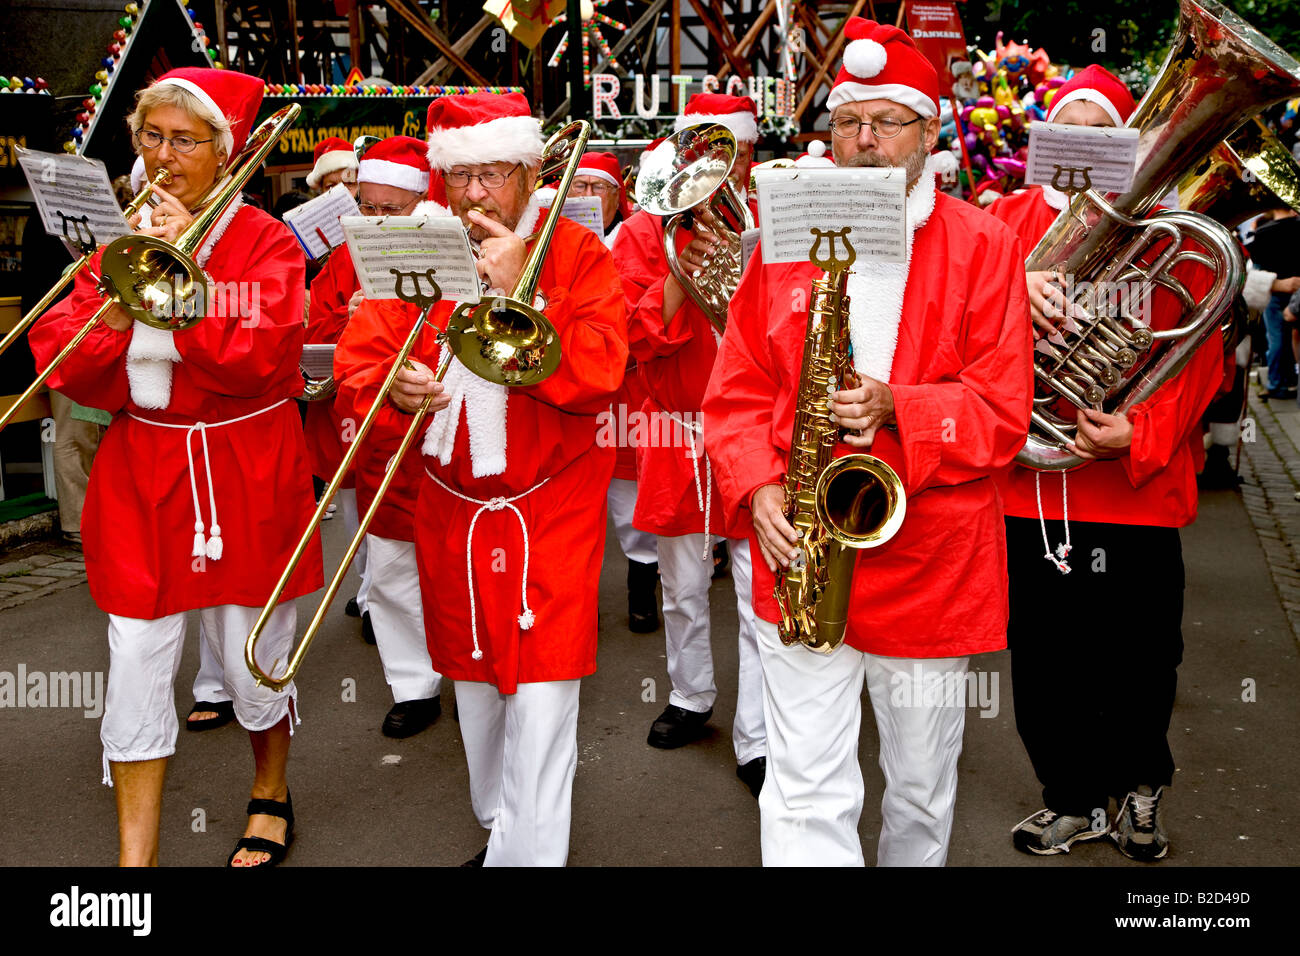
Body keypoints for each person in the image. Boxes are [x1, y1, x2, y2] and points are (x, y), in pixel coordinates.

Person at [702, 19, 1033, 865]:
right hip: (802, 547)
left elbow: (1004, 409)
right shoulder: (781, 241)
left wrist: (897, 407)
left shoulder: (986, 244)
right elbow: (735, 391)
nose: (865, 140)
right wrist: (756, 485)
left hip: (932, 557)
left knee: (921, 785)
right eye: (850, 120)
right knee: (805, 782)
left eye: (889, 121)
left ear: (929, 133)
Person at [28, 67, 322, 867]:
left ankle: (270, 789)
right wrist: (124, 294)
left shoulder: (265, 239)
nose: (162, 156)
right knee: (134, 665)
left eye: (184, 141)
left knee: (252, 659)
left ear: (224, 154)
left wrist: (183, 290)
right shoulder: (121, 234)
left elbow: (262, 357)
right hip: (144, 470)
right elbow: (65, 361)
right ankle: (138, 862)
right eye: (150, 136)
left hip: (244, 465)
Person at [352, 92, 627, 865]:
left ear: (533, 174)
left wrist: (520, 293)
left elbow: (601, 370)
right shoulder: (413, 247)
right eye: (461, 175)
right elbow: (361, 362)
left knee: (541, 705)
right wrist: (391, 388)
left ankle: (524, 853)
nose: (474, 194)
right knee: (476, 696)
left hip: (553, 512)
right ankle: (503, 829)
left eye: (493, 175)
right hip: (453, 514)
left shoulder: (579, 253)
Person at [987, 65, 1221, 861]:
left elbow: (1198, 354)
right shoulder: (1006, 224)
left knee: (1143, 657)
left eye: (1099, 133)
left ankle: (1142, 788)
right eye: (1066, 131)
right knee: (1046, 660)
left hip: (1132, 490)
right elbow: (956, 327)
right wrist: (1014, 293)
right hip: (1034, 490)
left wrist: (1140, 432)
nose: (1080, 145)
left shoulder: (1168, 229)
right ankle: (1073, 798)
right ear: (1041, 144)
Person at [612, 93, 767, 796]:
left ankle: (760, 734)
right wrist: (681, 272)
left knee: (758, 589)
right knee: (680, 585)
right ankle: (689, 694)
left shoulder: (772, 217)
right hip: (677, 428)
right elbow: (631, 337)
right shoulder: (647, 229)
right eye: (698, 151)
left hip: (759, 429)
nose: (711, 167)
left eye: (724, 153)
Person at [316, 136, 444, 738]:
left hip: (451, 441)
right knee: (392, 571)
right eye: (367, 207)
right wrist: (350, 325)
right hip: (385, 441)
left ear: (424, 203)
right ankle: (413, 685)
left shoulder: (457, 250)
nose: (375, 222)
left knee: (456, 572)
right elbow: (325, 339)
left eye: (391, 211)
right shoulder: (345, 256)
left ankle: (471, 673)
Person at [578, 151, 660, 632]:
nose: (588, 197)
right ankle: (576, 598)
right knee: (579, 504)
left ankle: (641, 586)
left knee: (631, 498)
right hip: (573, 394)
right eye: (580, 188)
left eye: (598, 188)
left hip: (626, 391)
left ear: (617, 197)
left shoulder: (632, 239)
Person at [1242, 206, 1300, 399]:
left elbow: (1255, 264)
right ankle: (1292, 380)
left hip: (1273, 289)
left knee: (1275, 339)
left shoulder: (1263, 232)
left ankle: (1276, 383)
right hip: (1297, 287)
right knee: (1294, 337)